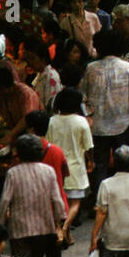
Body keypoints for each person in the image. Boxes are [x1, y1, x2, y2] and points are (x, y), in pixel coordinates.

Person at [0, 134, 66, 257]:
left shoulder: (13, 173)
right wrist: (60, 221)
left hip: (19, 228)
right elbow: (56, 199)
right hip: (44, 226)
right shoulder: (48, 171)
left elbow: (5, 201)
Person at [81, 29, 129, 194]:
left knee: (99, 163)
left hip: (98, 124)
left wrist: (88, 116)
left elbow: (83, 96)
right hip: (122, 122)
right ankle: (124, 195)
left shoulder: (91, 69)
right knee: (124, 162)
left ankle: (100, 199)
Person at [45, 89, 92, 246]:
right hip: (76, 167)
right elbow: (88, 146)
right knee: (75, 202)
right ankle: (64, 228)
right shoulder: (81, 121)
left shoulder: (51, 121)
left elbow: (47, 144)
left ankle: (62, 229)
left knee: (59, 201)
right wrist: (90, 160)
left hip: (56, 167)